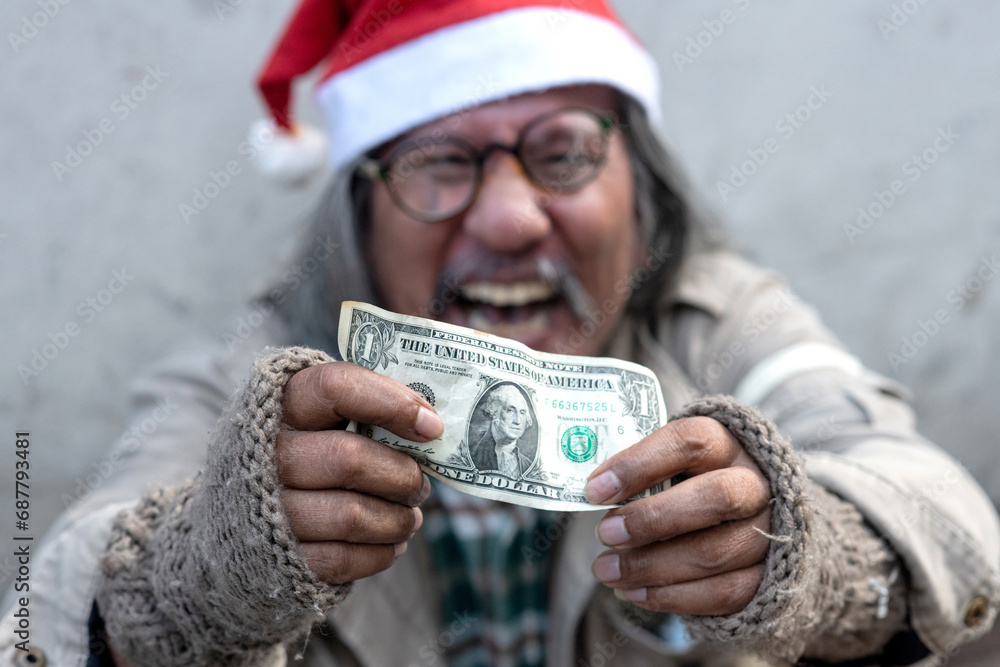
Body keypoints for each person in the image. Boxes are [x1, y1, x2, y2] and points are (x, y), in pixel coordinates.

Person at [2, 1, 999, 665]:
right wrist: (203, 569)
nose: (511, 219)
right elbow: (41, 616)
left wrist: (807, 554)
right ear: (359, 211)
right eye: (440, 161)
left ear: (637, 191)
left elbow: (952, 520)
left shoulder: (721, 325)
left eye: (562, 152)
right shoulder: (246, 380)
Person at [469, 384, 536, 478]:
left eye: (522, 413)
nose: (517, 421)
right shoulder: (472, 453)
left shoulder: (528, 465)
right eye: (510, 411)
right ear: (494, 411)